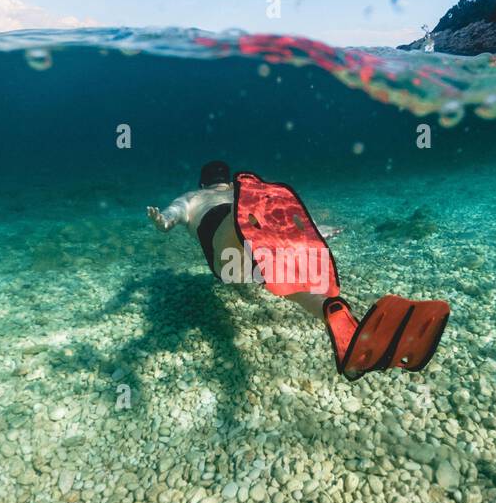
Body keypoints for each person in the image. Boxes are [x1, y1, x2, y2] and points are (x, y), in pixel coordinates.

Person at [148, 160, 449, 380]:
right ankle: (290, 242)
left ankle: (342, 323)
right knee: (289, 276)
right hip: (253, 240)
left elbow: (171, 217)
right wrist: (313, 230)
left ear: (203, 183)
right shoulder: (230, 194)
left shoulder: (192, 197)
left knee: (271, 267)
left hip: (228, 262)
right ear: (226, 181)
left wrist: (163, 221)